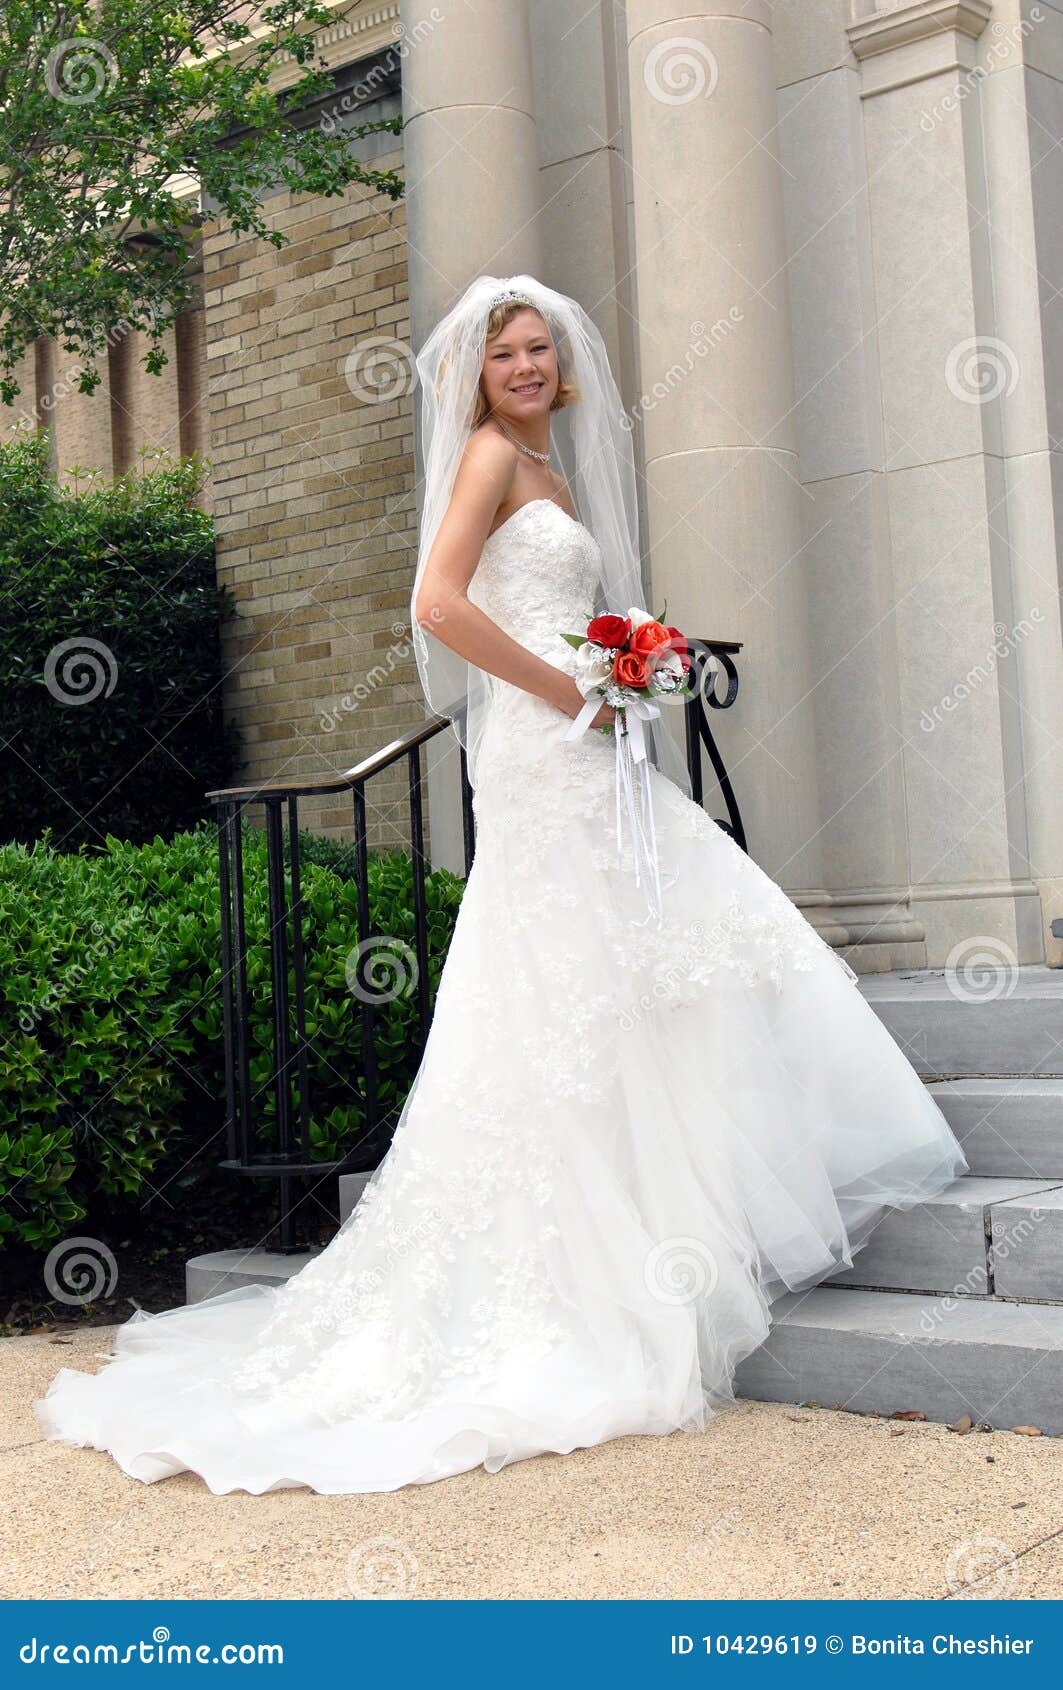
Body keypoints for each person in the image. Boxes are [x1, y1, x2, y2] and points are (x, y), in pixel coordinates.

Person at [33, 275, 968, 1495]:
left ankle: (652, 1230)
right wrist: (567, 687)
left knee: (629, 955)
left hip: (583, 741)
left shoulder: (553, 474)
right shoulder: (484, 459)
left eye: (537, 350)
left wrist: (633, 657)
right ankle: (575, 1272)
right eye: (503, 353)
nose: (525, 367)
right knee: (580, 960)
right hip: (543, 752)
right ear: (475, 376)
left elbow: (565, 607)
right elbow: (436, 605)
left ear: (559, 366)